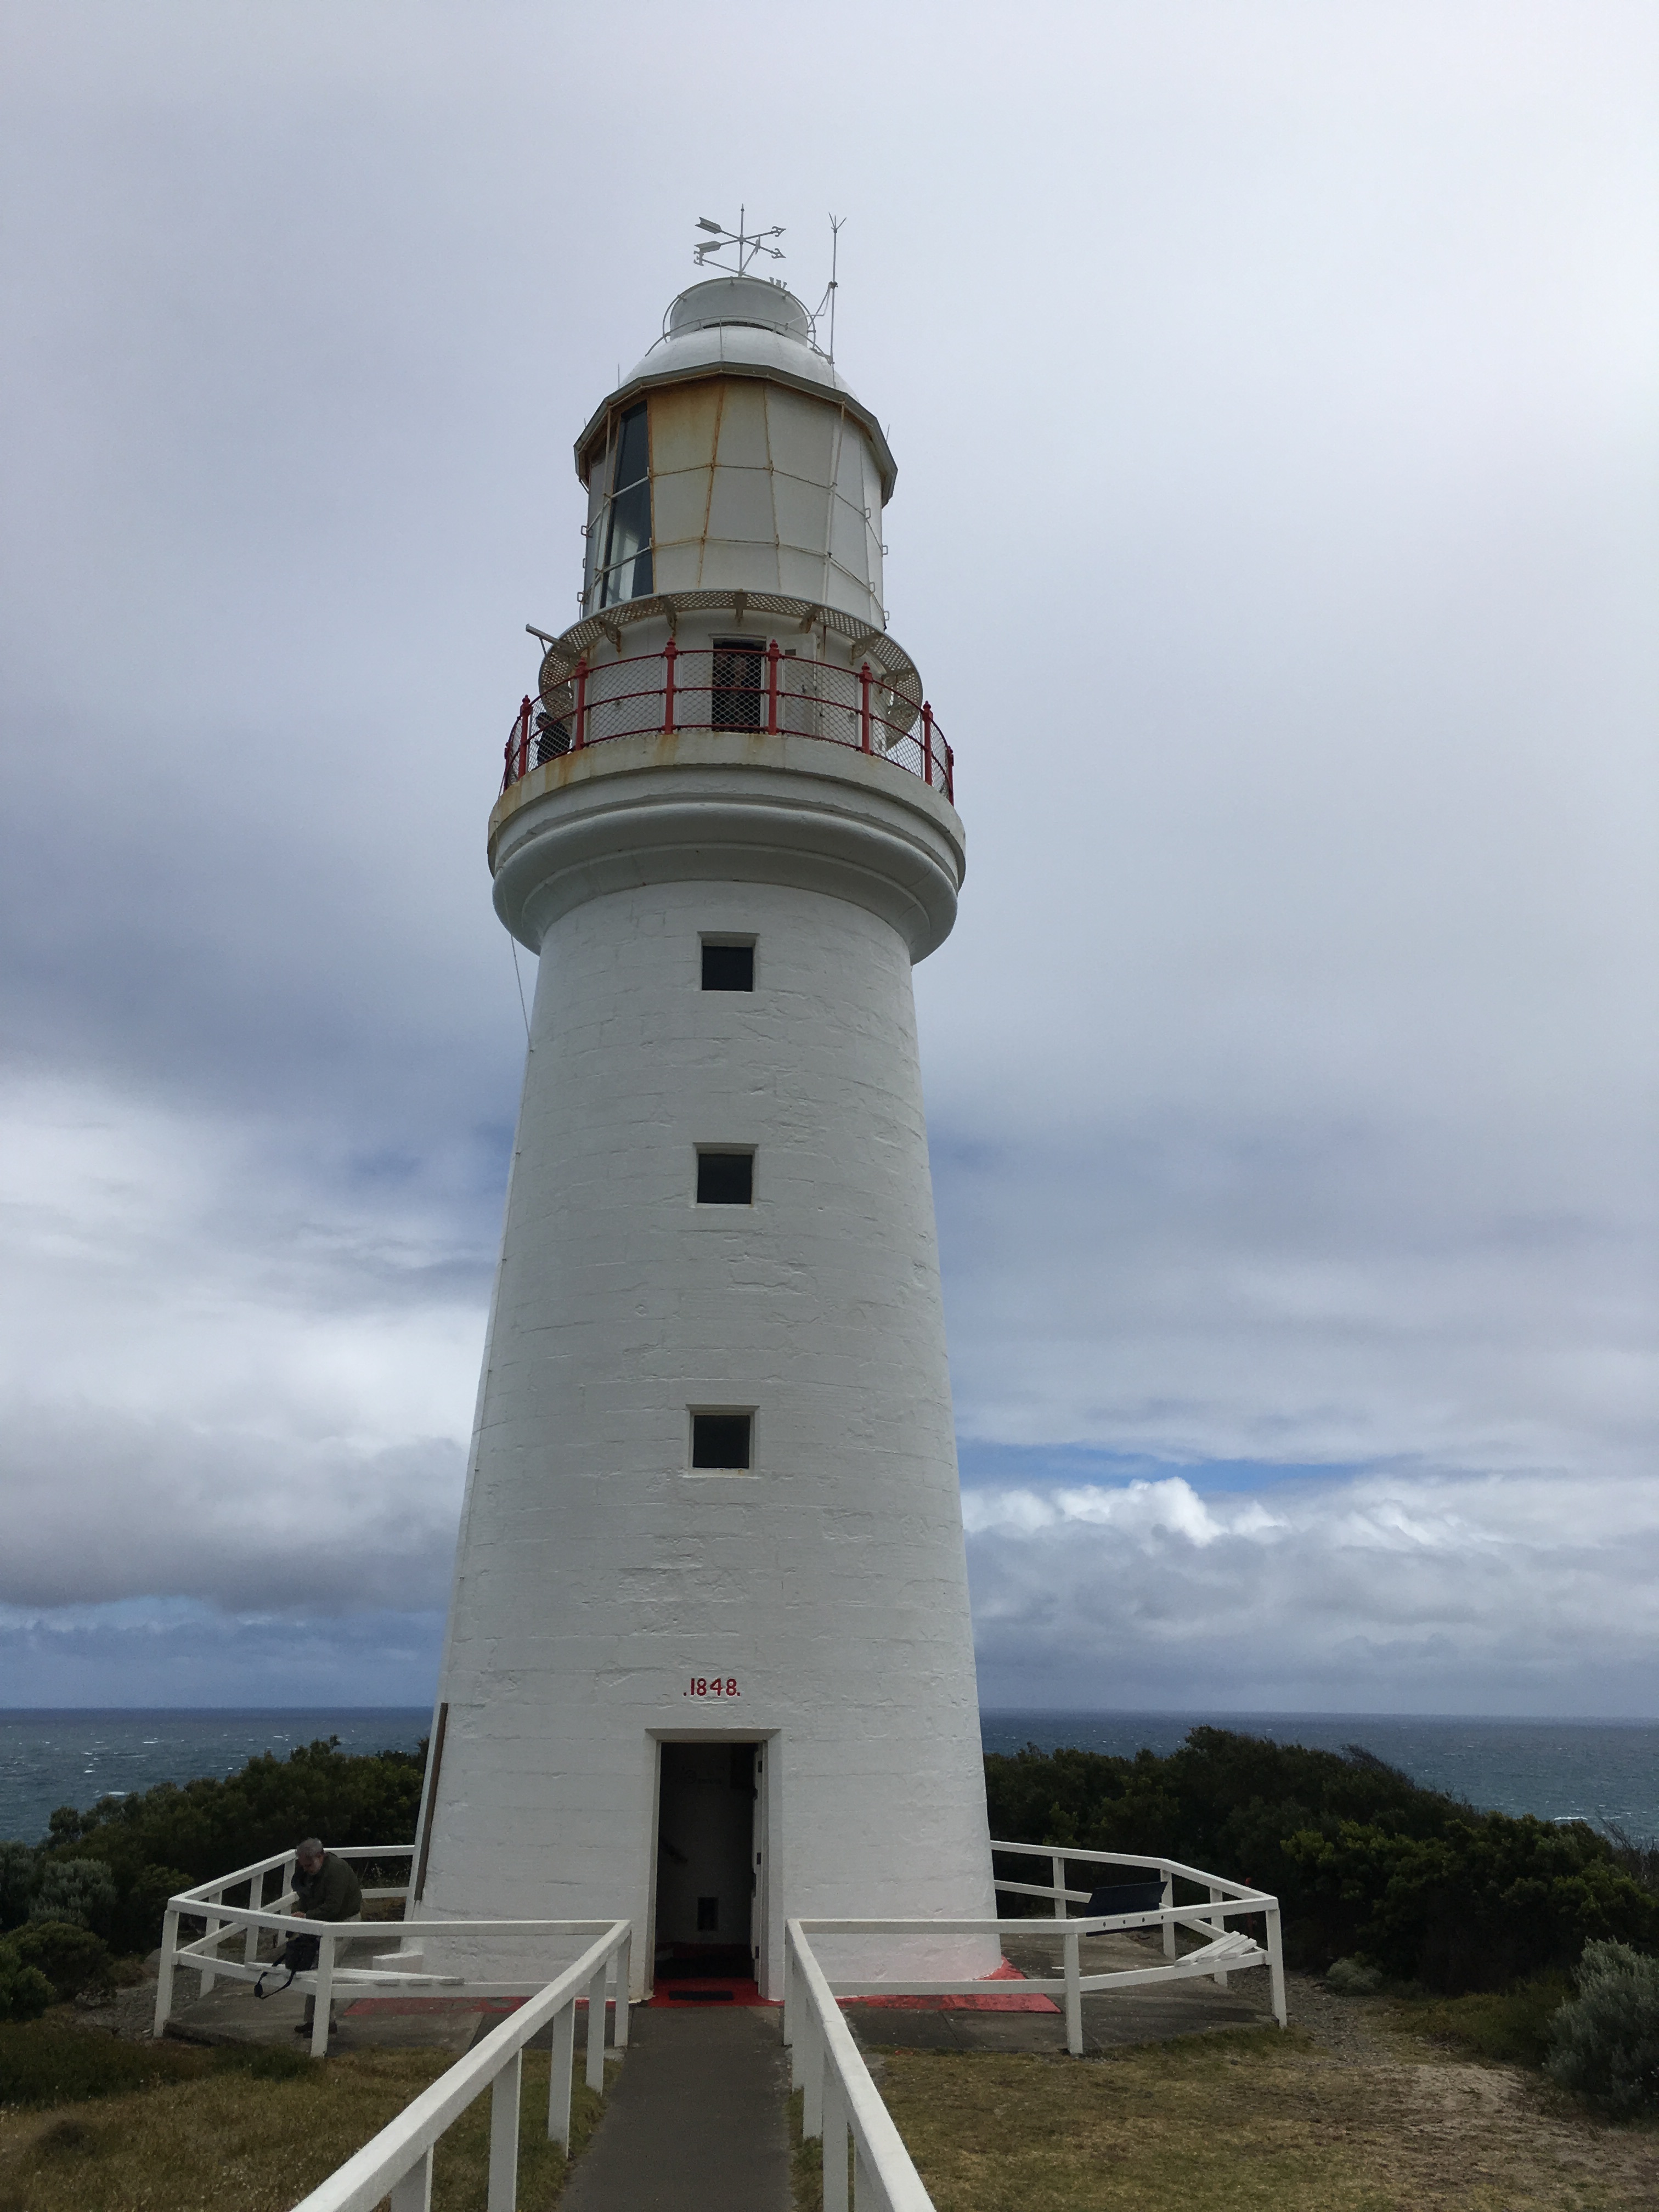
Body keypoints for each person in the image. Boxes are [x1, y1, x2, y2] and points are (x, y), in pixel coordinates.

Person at [290, 1837, 363, 2040]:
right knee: (316, 1968)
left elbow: (334, 1907)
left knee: (325, 1968)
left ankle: (327, 2021)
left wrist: (306, 1917)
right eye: (302, 1865)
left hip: (344, 1923)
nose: (306, 1869)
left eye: (309, 1864)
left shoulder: (337, 1870)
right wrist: (302, 1915)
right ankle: (312, 2020)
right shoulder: (311, 1873)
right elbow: (306, 1897)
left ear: (321, 1856)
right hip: (324, 1923)